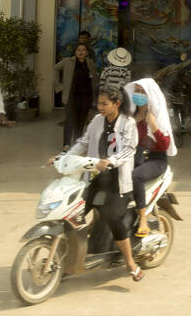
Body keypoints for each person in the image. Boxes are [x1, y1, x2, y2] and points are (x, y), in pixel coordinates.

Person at [48, 87, 142, 281]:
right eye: (99, 103)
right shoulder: (97, 120)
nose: (100, 107)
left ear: (117, 104)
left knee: (113, 218)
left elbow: (129, 150)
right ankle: (70, 261)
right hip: (94, 177)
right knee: (74, 213)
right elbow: (83, 142)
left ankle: (130, 262)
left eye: (104, 104)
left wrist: (110, 161)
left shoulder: (128, 123)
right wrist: (63, 156)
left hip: (117, 181)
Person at [124, 77, 175, 237]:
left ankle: (143, 220)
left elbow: (164, 145)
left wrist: (153, 126)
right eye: (136, 91)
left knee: (135, 176)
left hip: (156, 160)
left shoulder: (155, 116)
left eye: (142, 92)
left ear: (150, 95)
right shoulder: (130, 116)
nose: (138, 94)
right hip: (134, 157)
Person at [55, 42, 98, 149]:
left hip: (86, 97)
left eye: (83, 50)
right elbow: (55, 69)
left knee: (81, 121)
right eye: (78, 50)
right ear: (75, 51)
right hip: (71, 96)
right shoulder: (68, 61)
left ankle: (77, 142)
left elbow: (95, 78)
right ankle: (66, 144)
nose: (81, 52)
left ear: (87, 52)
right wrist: (59, 86)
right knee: (69, 120)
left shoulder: (90, 63)